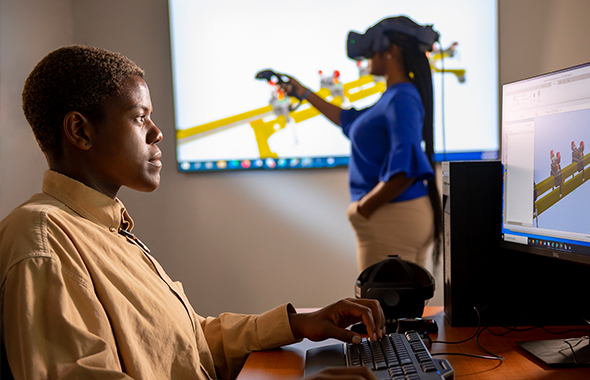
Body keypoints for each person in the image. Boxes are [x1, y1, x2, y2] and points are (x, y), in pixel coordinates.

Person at [0, 45, 385, 380]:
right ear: (80, 131)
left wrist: (297, 323)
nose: (156, 132)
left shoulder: (103, 227)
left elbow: (187, 343)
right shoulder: (43, 241)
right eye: (139, 117)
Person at [277, 16, 443, 271]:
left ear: (392, 50)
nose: (368, 57)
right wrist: (304, 93)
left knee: (380, 307)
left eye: (374, 49)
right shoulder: (394, 95)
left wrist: (363, 209)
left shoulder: (402, 98)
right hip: (398, 217)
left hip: (393, 218)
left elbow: (406, 168)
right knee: (400, 308)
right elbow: (349, 120)